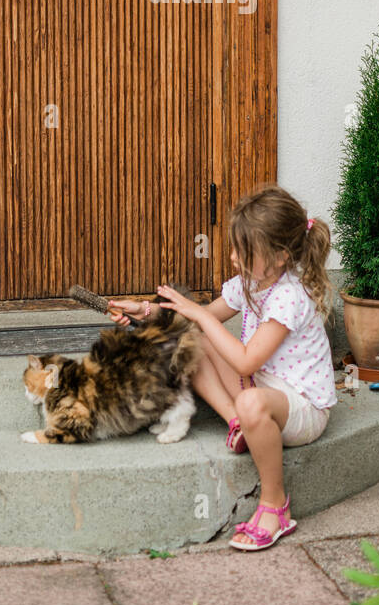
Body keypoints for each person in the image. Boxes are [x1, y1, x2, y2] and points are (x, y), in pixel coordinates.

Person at [107, 184, 336, 551]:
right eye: (233, 247)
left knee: (249, 399)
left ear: (279, 257)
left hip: (302, 406)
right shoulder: (251, 281)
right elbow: (198, 321)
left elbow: (246, 360)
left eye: (243, 251)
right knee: (189, 339)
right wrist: (144, 311)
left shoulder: (290, 295)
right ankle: (237, 422)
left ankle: (275, 506)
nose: (232, 257)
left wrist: (198, 313)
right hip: (262, 386)